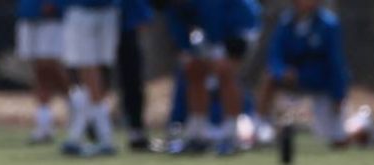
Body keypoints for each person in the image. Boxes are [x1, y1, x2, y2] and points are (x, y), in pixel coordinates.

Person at [169, 0, 259, 156]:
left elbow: (215, 25)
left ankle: (230, 135)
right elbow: (181, 35)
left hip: (240, 27)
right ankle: (198, 133)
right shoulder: (172, 7)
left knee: (225, 71)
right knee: (192, 69)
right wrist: (188, 53)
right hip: (213, 34)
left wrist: (212, 57)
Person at [258, 0, 350, 147]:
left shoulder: (329, 25)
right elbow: (275, 55)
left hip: (322, 84)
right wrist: (282, 71)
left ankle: (364, 132)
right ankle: (262, 125)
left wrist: (338, 95)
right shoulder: (285, 22)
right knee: (269, 77)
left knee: (337, 139)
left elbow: (336, 63)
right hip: (294, 81)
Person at [59, 0, 120, 157]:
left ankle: (104, 136)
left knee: (90, 72)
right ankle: (79, 135)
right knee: (93, 74)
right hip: (106, 11)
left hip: (84, 11)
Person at [15, 0, 66, 144]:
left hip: (51, 17)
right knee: (38, 71)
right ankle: (44, 124)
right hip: (28, 12)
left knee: (50, 66)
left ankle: (78, 105)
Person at [114, 0, 153, 151]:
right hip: (93, 16)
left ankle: (136, 129)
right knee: (94, 76)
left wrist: (141, 15)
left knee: (132, 80)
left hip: (125, 26)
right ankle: (96, 129)